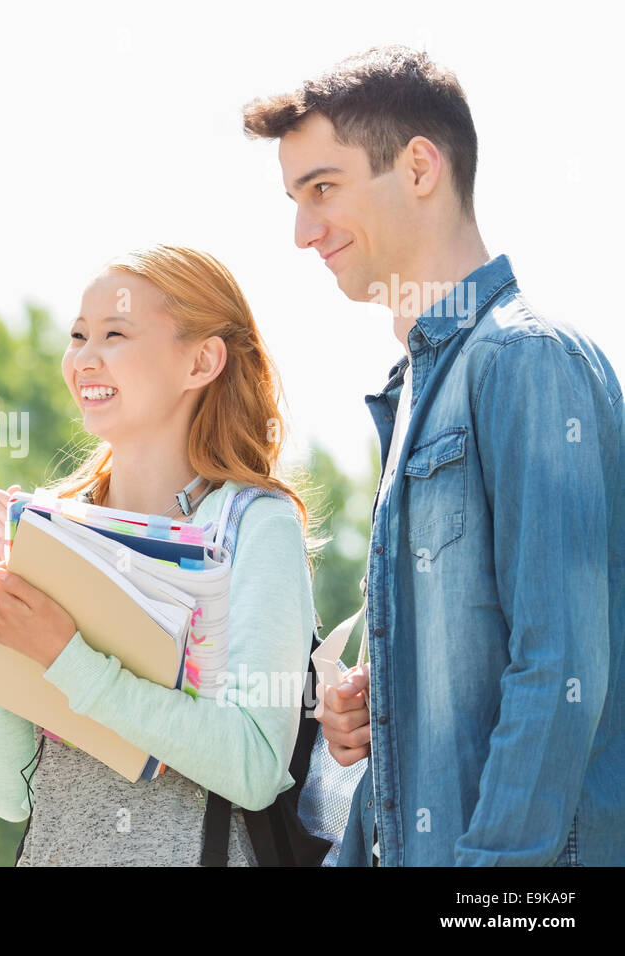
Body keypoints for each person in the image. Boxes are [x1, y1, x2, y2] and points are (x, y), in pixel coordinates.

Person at [243, 45, 624, 865]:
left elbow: (563, 672)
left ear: (419, 166)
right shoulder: (412, 387)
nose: (303, 231)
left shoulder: (528, 361)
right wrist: (388, 706)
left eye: (323, 189)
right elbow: (485, 655)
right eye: (295, 198)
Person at [0, 244, 318, 865]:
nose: (83, 358)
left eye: (115, 334)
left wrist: (67, 658)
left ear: (202, 360)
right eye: (77, 335)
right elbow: (4, 793)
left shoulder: (254, 526)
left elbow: (256, 768)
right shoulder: (51, 524)